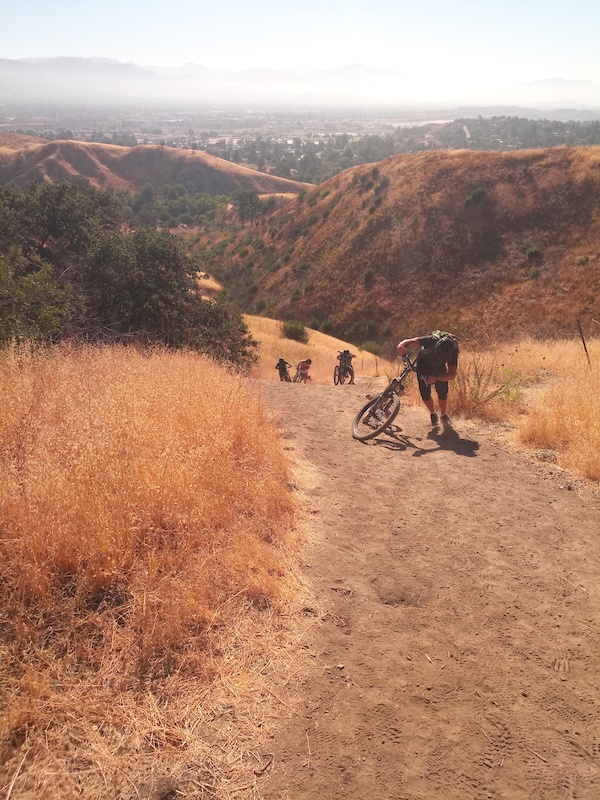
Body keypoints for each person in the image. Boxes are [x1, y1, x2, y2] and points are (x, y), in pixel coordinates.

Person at [396, 330, 459, 429]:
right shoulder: (431, 341)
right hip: (423, 365)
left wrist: (437, 378)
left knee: (442, 393)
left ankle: (443, 415)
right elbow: (410, 341)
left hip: (439, 370)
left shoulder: (453, 351)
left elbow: (452, 375)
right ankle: (433, 413)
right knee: (425, 394)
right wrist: (401, 345)